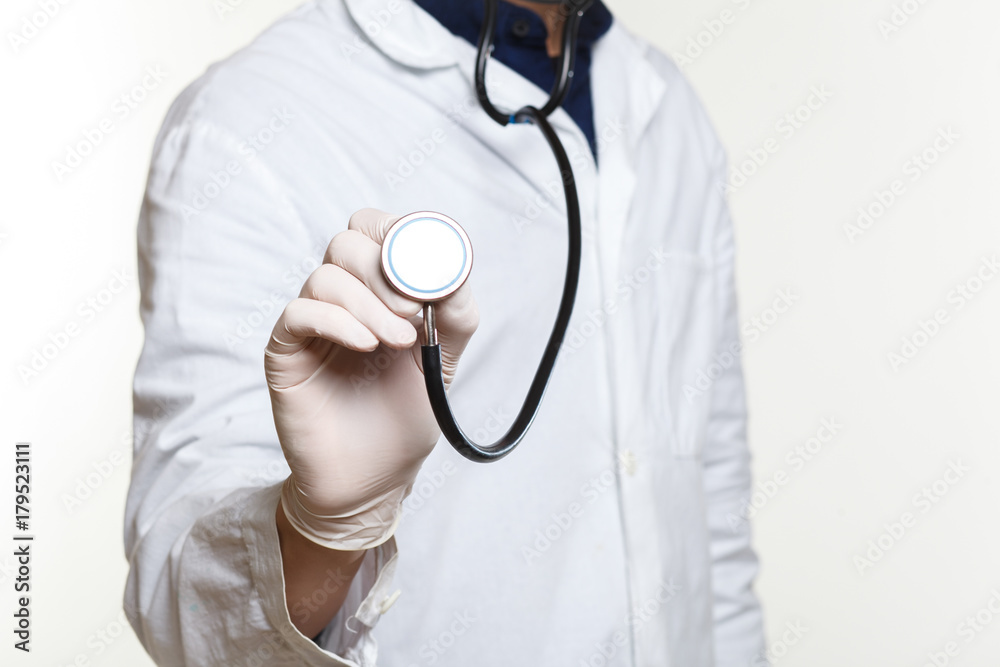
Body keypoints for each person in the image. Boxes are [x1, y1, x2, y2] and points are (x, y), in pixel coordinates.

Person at [124, 0, 767, 665]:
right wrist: (325, 528)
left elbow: (714, 512)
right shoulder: (247, 117)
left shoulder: (669, 106)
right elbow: (186, 618)